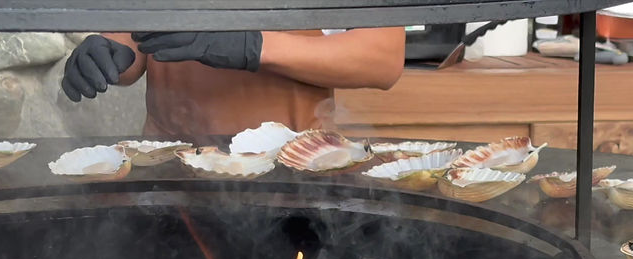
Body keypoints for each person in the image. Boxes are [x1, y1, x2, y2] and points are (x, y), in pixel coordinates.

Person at [61, 29, 405, 136]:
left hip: (295, 172)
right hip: (173, 170)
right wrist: (106, 54)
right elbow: (134, 45)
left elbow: (382, 58)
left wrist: (253, 46)